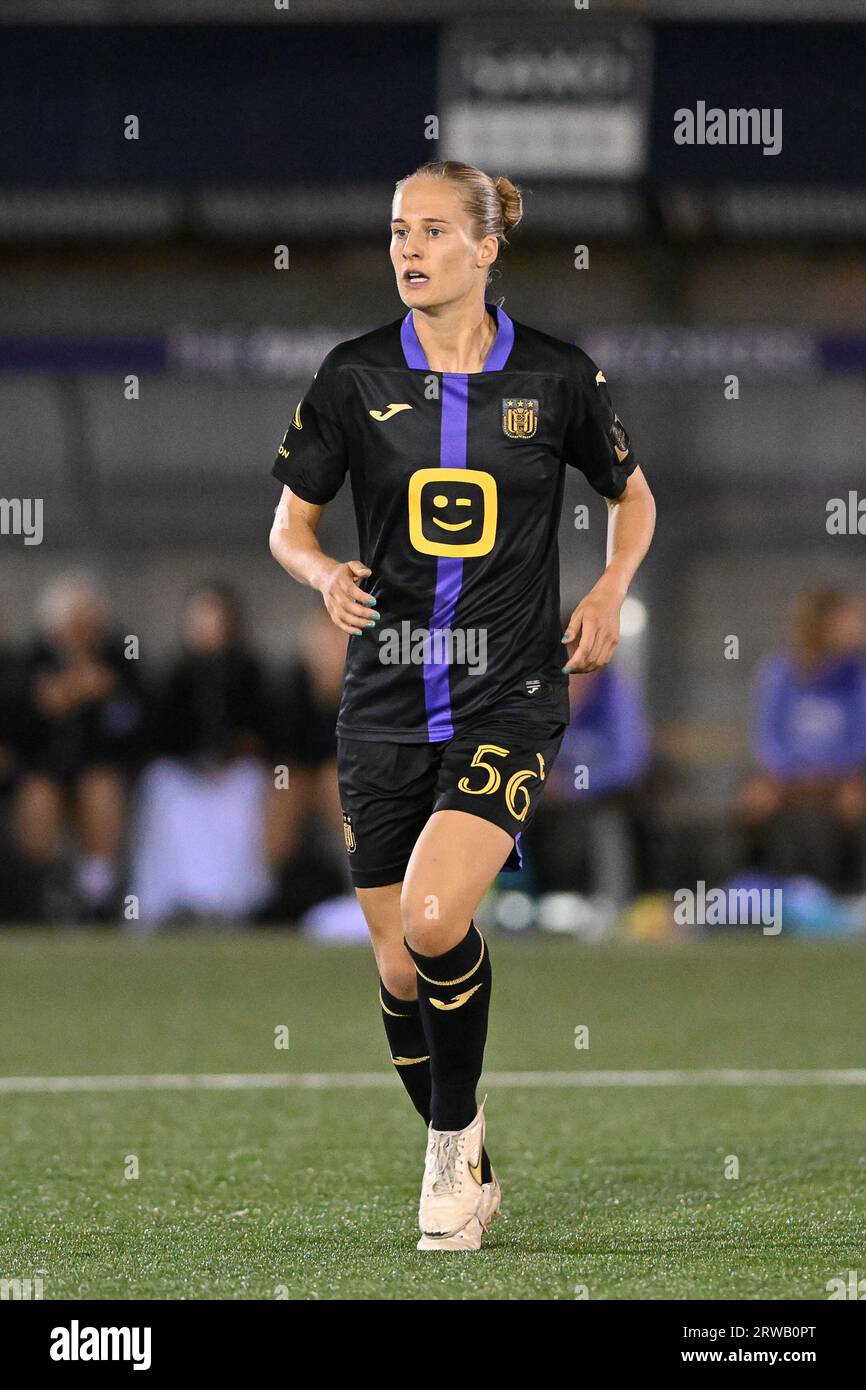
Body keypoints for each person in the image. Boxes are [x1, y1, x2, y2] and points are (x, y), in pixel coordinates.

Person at [268, 160, 656, 1250]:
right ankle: (471, 1138)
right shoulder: (349, 379)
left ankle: (445, 1153)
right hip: (382, 697)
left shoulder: (557, 376)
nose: (409, 248)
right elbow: (288, 528)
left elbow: (633, 500)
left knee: (438, 920)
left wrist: (608, 590)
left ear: (486, 248)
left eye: (434, 230)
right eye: (398, 228)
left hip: (511, 692)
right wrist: (320, 576)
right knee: (398, 964)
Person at [129, 583, 272, 924]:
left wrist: (235, 753)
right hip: (185, 777)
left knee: (251, 787)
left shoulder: (248, 671)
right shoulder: (176, 673)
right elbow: (159, 736)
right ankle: (163, 903)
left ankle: (237, 904)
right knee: (160, 785)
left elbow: (263, 731)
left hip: (233, 776)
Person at [14, 572, 146, 921]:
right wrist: (68, 693)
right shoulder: (32, 662)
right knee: (38, 795)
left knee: (100, 789)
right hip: (46, 769)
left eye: (87, 623)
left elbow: (136, 726)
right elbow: (22, 722)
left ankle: (97, 895)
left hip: (100, 768)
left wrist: (104, 696)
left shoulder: (121, 660)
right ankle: (44, 890)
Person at [739, 586, 866, 890]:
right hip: (788, 779)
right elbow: (767, 736)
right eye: (848, 620)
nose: (857, 627)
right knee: (755, 802)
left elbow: (861, 737)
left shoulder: (858, 675)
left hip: (842, 778)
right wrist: (791, 773)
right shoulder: (780, 672)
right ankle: (757, 886)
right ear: (821, 624)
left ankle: (850, 894)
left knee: (853, 804)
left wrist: (833, 773)